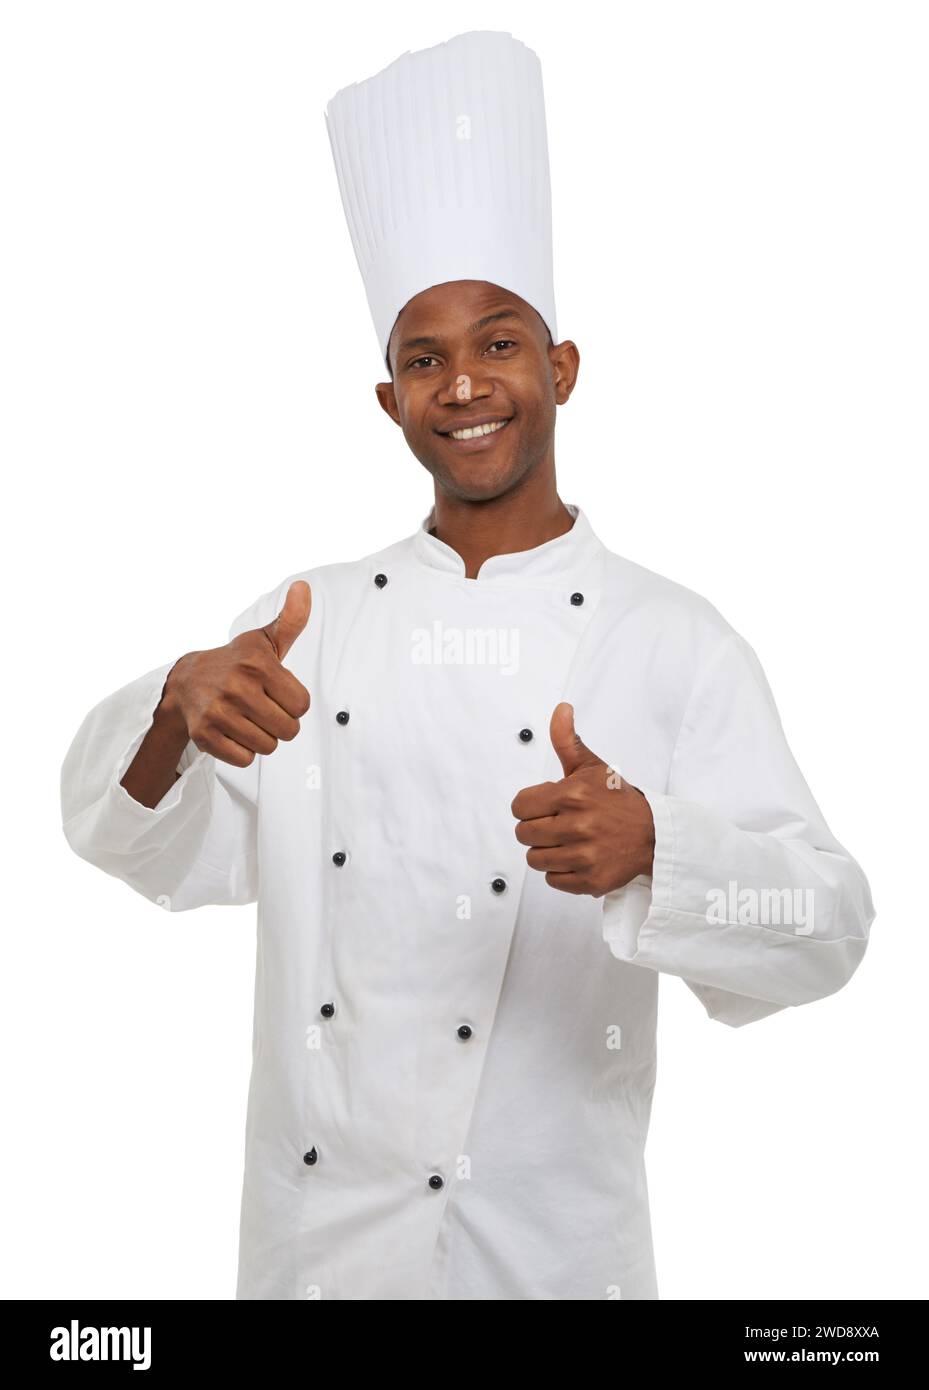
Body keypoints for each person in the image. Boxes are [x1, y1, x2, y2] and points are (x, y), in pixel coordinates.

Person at [60, 30, 874, 1301]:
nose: (462, 384)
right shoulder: (303, 618)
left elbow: (827, 930)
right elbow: (146, 852)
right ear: (388, 400)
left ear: (558, 369)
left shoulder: (668, 637)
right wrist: (172, 714)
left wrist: (659, 845)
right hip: (311, 1255)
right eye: (421, 358)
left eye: (498, 344)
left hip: (553, 1264)